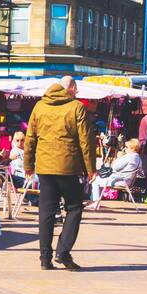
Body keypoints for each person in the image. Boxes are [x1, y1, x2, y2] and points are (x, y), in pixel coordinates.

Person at [25, 75, 96, 271]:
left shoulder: (40, 106)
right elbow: (86, 140)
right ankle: (63, 252)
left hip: (44, 167)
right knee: (74, 207)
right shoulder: (76, 107)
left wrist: (28, 164)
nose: (78, 92)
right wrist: (90, 169)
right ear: (70, 88)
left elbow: (30, 137)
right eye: (76, 88)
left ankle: (44, 258)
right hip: (67, 166)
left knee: (46, 211)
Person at [89, 138, 142, 209]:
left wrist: (119, 157)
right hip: (128, 181)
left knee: (95, 181)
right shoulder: (138, 158)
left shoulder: (129, 157)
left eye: (126, 147)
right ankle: (97, 201)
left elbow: (115, 167)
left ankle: (95, 202)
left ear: (132, 148)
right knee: (99, 179)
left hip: (120, 180)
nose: (125, 149)